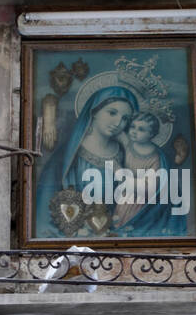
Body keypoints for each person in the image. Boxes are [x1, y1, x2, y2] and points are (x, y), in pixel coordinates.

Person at [35, 84, 139, 236]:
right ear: (95, 111)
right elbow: (47, 202)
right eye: (112, 113)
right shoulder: (68, 154)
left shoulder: (123, 152)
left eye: (125, 119)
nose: (118, 123)